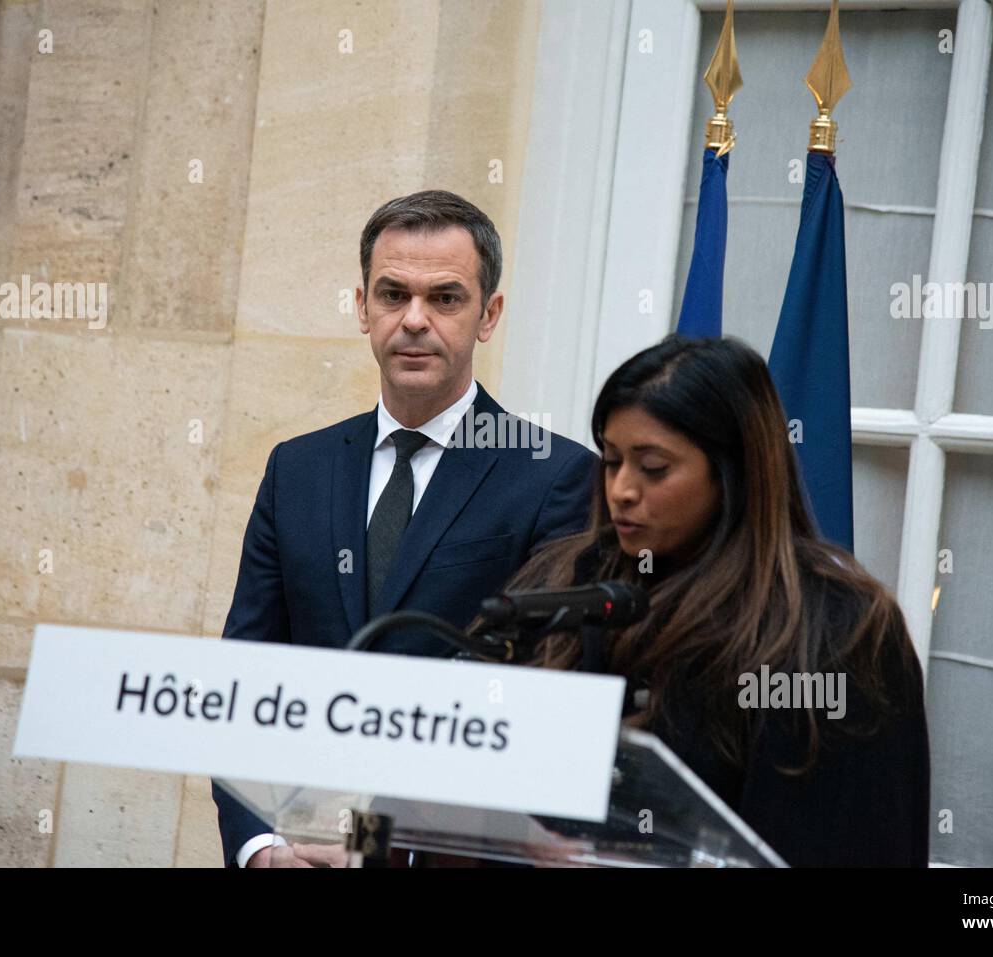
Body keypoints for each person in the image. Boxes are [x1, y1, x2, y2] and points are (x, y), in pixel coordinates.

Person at [211, 190, 597, 867]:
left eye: (445, 298)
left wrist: (391, 852)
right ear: (363, 307)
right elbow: (246, 682)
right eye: (393, 294)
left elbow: (550, 716)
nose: (414, 320)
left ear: (489, 314)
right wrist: (262, 848)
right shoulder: (296, 469)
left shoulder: (556, 477)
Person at [503, 335, 930, 867]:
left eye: (653, 467)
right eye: (612, 462)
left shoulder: (836, 630)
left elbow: (847, 840)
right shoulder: (560, 581)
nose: (622, 490)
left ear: (734, 474)